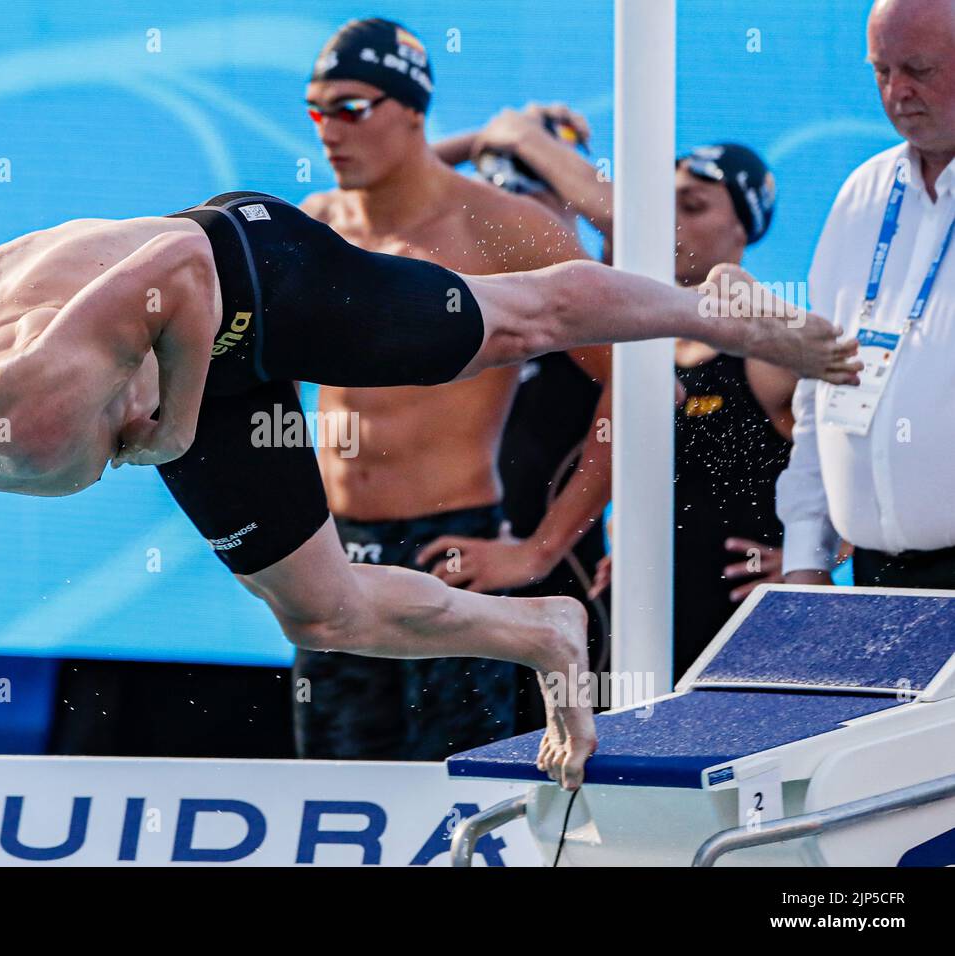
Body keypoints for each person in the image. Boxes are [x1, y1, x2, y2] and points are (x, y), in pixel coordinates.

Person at [0, 168, 857, 789]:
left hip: (244, 273)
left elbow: (176, 264)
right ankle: (547, 631)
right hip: (178, 351)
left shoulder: (15, 406)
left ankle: (714, 305)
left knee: (512, 321)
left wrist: (178, 414)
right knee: (324, 611)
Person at [290, 18, 611, 761]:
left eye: (350, 109)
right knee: (336, 806)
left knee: (459, 799)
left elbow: (638, 385)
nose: (328, 131)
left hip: (448, 549)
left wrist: (538, 549)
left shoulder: (501, 230)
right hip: (333, 554)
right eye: (316, 111)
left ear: (411, 110)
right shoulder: (316, 226)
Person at [433, 104, 802, 679]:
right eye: (665, 203)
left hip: (744, 633)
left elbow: (864, 445)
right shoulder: (626, 345)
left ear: (743, 230)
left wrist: (814, 559)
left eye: (694, 206)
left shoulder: (763, 351)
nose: (671, 221)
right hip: (640, 623)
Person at [779, 0, 955, 591]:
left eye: (918, 69)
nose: (897, 91)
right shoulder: (863, 193)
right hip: (877, 578)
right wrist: (805, 556)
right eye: (881, 71)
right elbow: (816, 382)